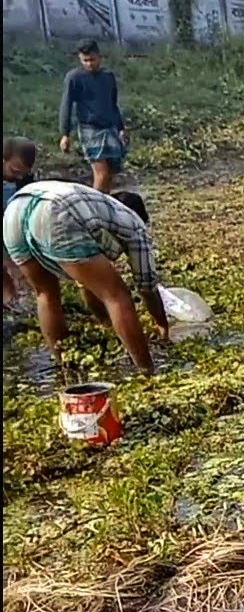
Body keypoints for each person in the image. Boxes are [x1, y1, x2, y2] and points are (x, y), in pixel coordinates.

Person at [3, 180, 168, 374]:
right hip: (55, 209)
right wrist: (162, 324)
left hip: (14, 211)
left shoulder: (98, 211)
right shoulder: (135, 224)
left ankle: (66, 365)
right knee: (117, 295)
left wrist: (106, 324)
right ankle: (147, 371)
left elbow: (85, 283)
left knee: (46, 294)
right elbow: (147, 286)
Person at [59, 40, 128, 194]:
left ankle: (105, 203)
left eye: (92, 60)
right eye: (85, 60)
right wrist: (65, 133)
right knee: (101, 173)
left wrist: (121, 127)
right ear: (80, 59)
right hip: (89, 129)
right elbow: (67, 105)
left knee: (110, 172)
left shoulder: (108, 77)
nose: (89, 64)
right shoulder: (74, 78)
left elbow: (113, 104)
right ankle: (94, 206)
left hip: (109, 128)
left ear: (99, 57)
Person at [3, 137, 40, 308]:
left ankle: (26, 294)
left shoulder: (24, 178)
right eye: (15, 170)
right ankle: (8, 295)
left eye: (23, 173)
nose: (18, 176)